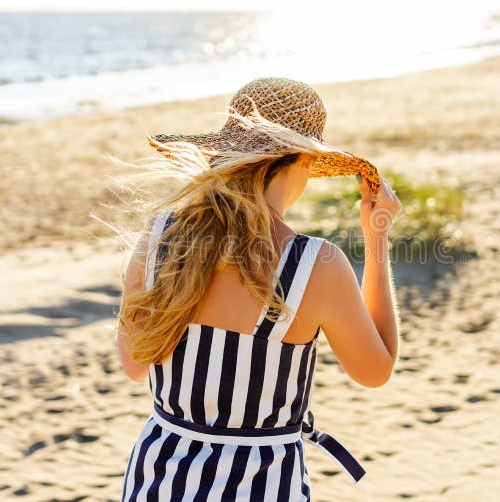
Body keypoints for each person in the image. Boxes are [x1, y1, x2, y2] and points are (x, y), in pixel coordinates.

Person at [115, 77, 402, 501]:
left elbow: (135, 366)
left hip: (159, 479)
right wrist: (377, 236)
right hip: (264, 485)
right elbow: (375, 371)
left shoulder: (159, 237)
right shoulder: (313, 264)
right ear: (305, 160)